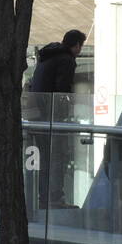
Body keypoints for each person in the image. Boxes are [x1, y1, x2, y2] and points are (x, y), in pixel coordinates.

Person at [27, 29, 85, 208]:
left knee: (45, 159)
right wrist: (67, 111)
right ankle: (55, 198)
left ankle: (44, 197)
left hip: (38, 117)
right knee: (57, 157)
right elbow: (62, 89)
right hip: (51, 116)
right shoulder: (66, 60)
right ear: (76, 45)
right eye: (80, 46)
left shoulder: (47, 57)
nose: (80, 50)